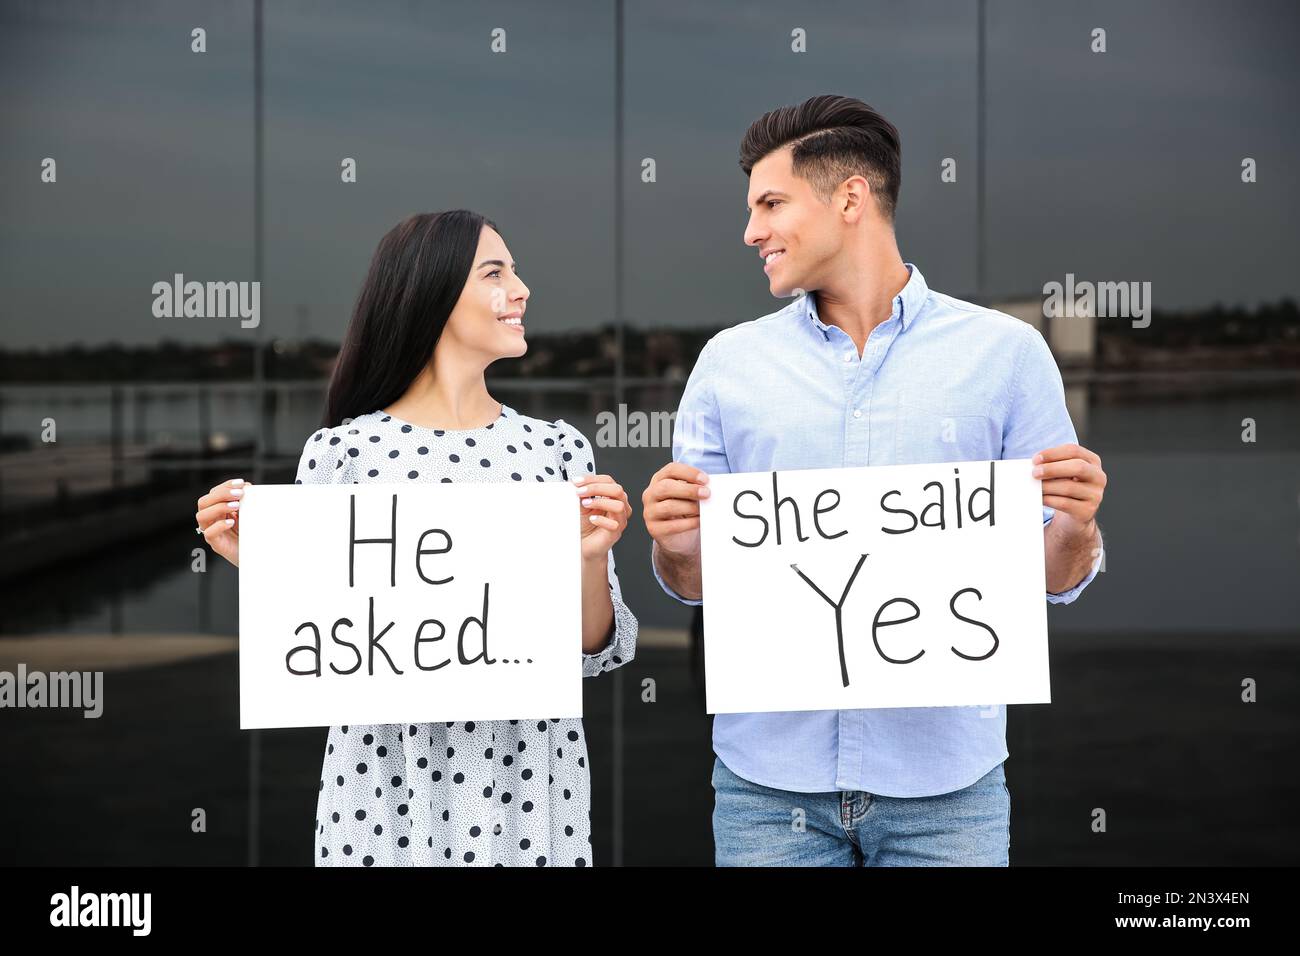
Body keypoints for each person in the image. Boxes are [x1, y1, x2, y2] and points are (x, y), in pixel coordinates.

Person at [641, 94, 1107, 866]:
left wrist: (1077, 525)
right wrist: (677, 540)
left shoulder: (1008, 355)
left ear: (850, 198)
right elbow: (692, 585)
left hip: (947, 791)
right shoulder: (728, 365)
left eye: (771, 203)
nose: (751, 231)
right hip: (768, 790)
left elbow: (1054, 580)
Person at [196, 210, 638, 866]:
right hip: (385, 786)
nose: (521, 290)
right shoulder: (345, 453)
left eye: (514, 272)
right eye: (496, 273)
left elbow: (594, 648)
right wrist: (260, 565)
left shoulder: (558, 449)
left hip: (527, 779)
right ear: (431, 294)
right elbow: (323, 647)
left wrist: (592, 558)